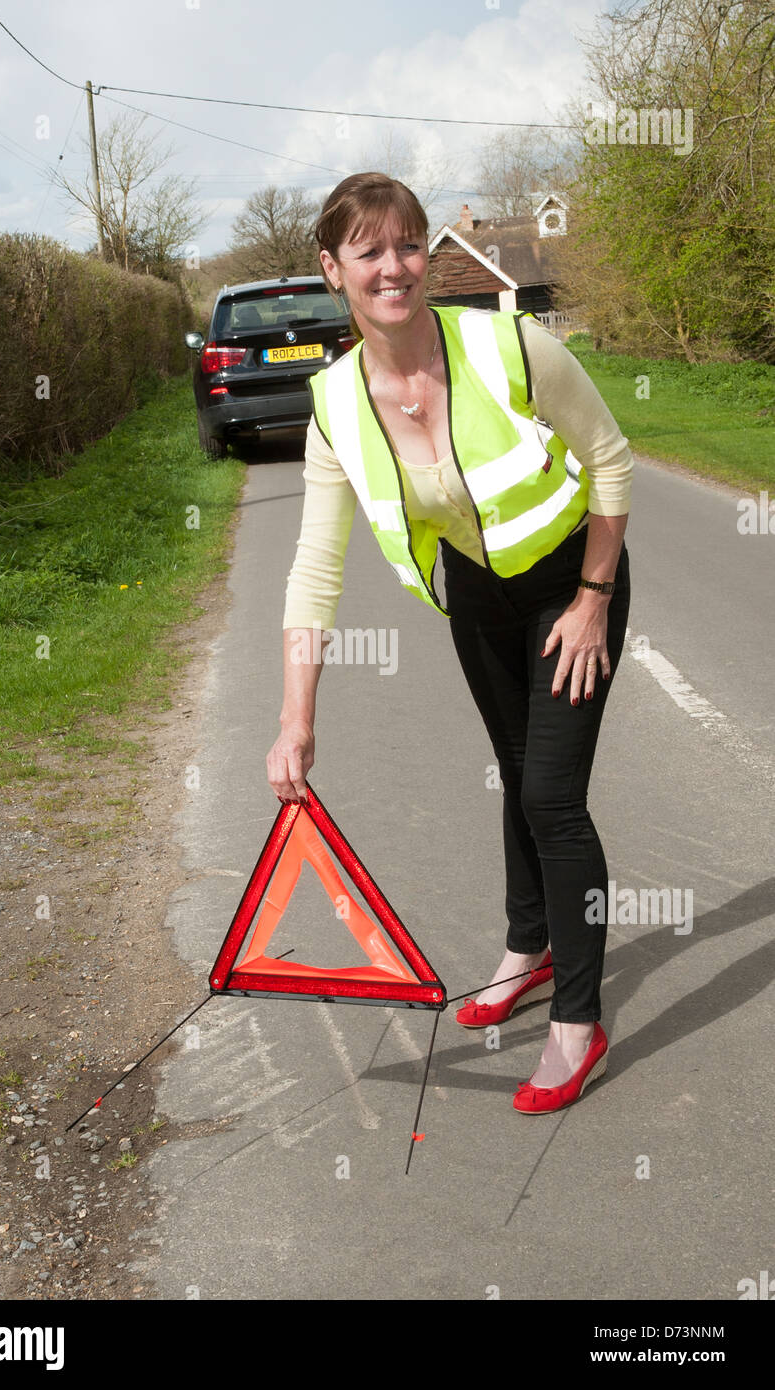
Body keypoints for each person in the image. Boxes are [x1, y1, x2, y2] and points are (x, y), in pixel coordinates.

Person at [266, 173, 632, 1114]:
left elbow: (611, 461)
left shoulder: (510, 343)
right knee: (517, 775)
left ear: (427, 254)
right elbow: (315, 569)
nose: (394, 268)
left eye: (408, 246)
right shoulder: (335, 407)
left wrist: (592, 598)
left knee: (553, 796)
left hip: (570, 582)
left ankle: (576, 1025)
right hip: (477, 600)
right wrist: (294, 720)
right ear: (333, 270)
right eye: (369, 252)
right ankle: (530, 948)